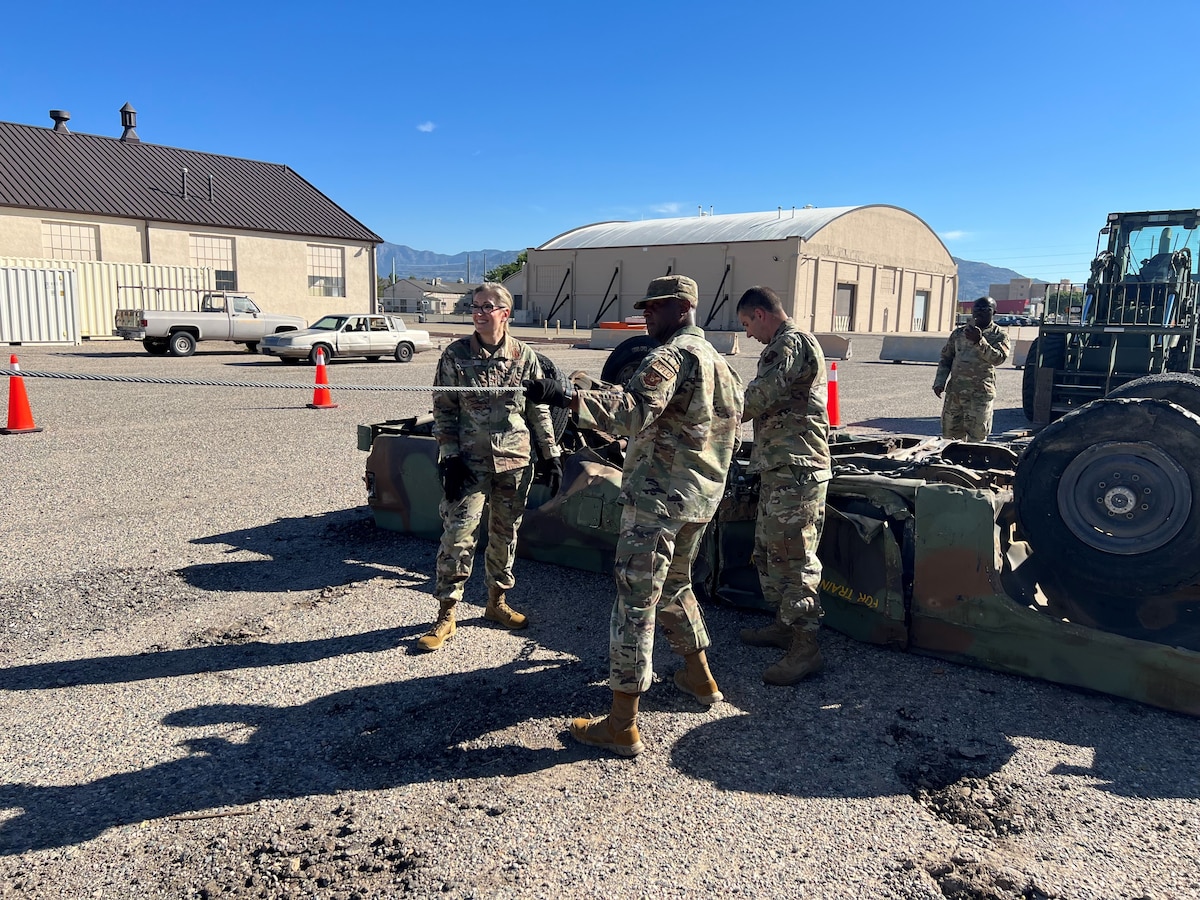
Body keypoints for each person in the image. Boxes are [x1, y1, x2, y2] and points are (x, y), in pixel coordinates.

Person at [523, 274, 744, 757]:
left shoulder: (670, 356)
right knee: (676, 588)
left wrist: (567, 396)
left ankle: (622, 725)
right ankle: (700, 679)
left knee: (635, 602)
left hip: (657, 501)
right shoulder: (722, 364)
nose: (646, 316)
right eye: (645, 308)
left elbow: (632, 411)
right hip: (699, 500)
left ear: (682, 307)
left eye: (654, 307)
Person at [419, 283, 563, 652]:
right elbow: (444, 410)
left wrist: (550, 454)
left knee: (505, 535)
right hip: (468, 463)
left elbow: (537, 409)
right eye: (475, 306)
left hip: (514, 461)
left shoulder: (523, 356)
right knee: (458, 536)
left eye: (488, 306)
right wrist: (450, 456)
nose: (479, 312)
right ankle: (447, 614)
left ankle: (496, 603)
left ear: (505, 313)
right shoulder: (455, 355)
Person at [735, 286, 832, 685]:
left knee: (794, 559)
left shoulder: (788, 344)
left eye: (747, 324)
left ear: (761, 314)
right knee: (773, 552)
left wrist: (710, 409)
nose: (748, 334)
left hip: (797, 468)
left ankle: (806, 648)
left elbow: (757, 397)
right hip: (783, 468)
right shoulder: (789, 343)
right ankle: (785, 627)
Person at [933, 296, 1010, 441]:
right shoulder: (959, 333)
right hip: (955, 394)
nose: (979, 312)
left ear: (994, 312)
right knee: (949, 438)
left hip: (979, 395)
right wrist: (939, 382)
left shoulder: (999, 335)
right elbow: (946, 358)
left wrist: (979, 341)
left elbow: (998, 359)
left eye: (985, 309)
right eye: (977, 309)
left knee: (977, 439)